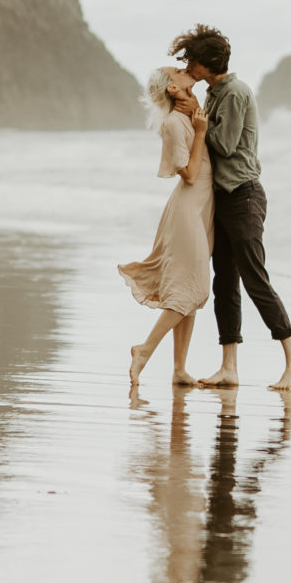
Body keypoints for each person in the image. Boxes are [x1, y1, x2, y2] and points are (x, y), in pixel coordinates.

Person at [168, 23, 291, 391]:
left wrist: (198, 113)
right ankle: (229, 366)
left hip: (244, 196)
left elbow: (224, 145)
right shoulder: (216, 93)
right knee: (224, 283)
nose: (190, 67)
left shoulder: (235, 92)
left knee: (254, 277)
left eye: (194, 61)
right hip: (225, 198)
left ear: (209, 63)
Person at [119, 63, 214, 392]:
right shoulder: (175, 124)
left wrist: (198, 116)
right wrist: (200, 132)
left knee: (186, 291)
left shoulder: (190, 113)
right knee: (196, 288)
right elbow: (187, 174)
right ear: (172, 89)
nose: (183, 70)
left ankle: (179, 369)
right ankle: (144, 350)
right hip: (186, 211)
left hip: (200, 210)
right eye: (177, 71)